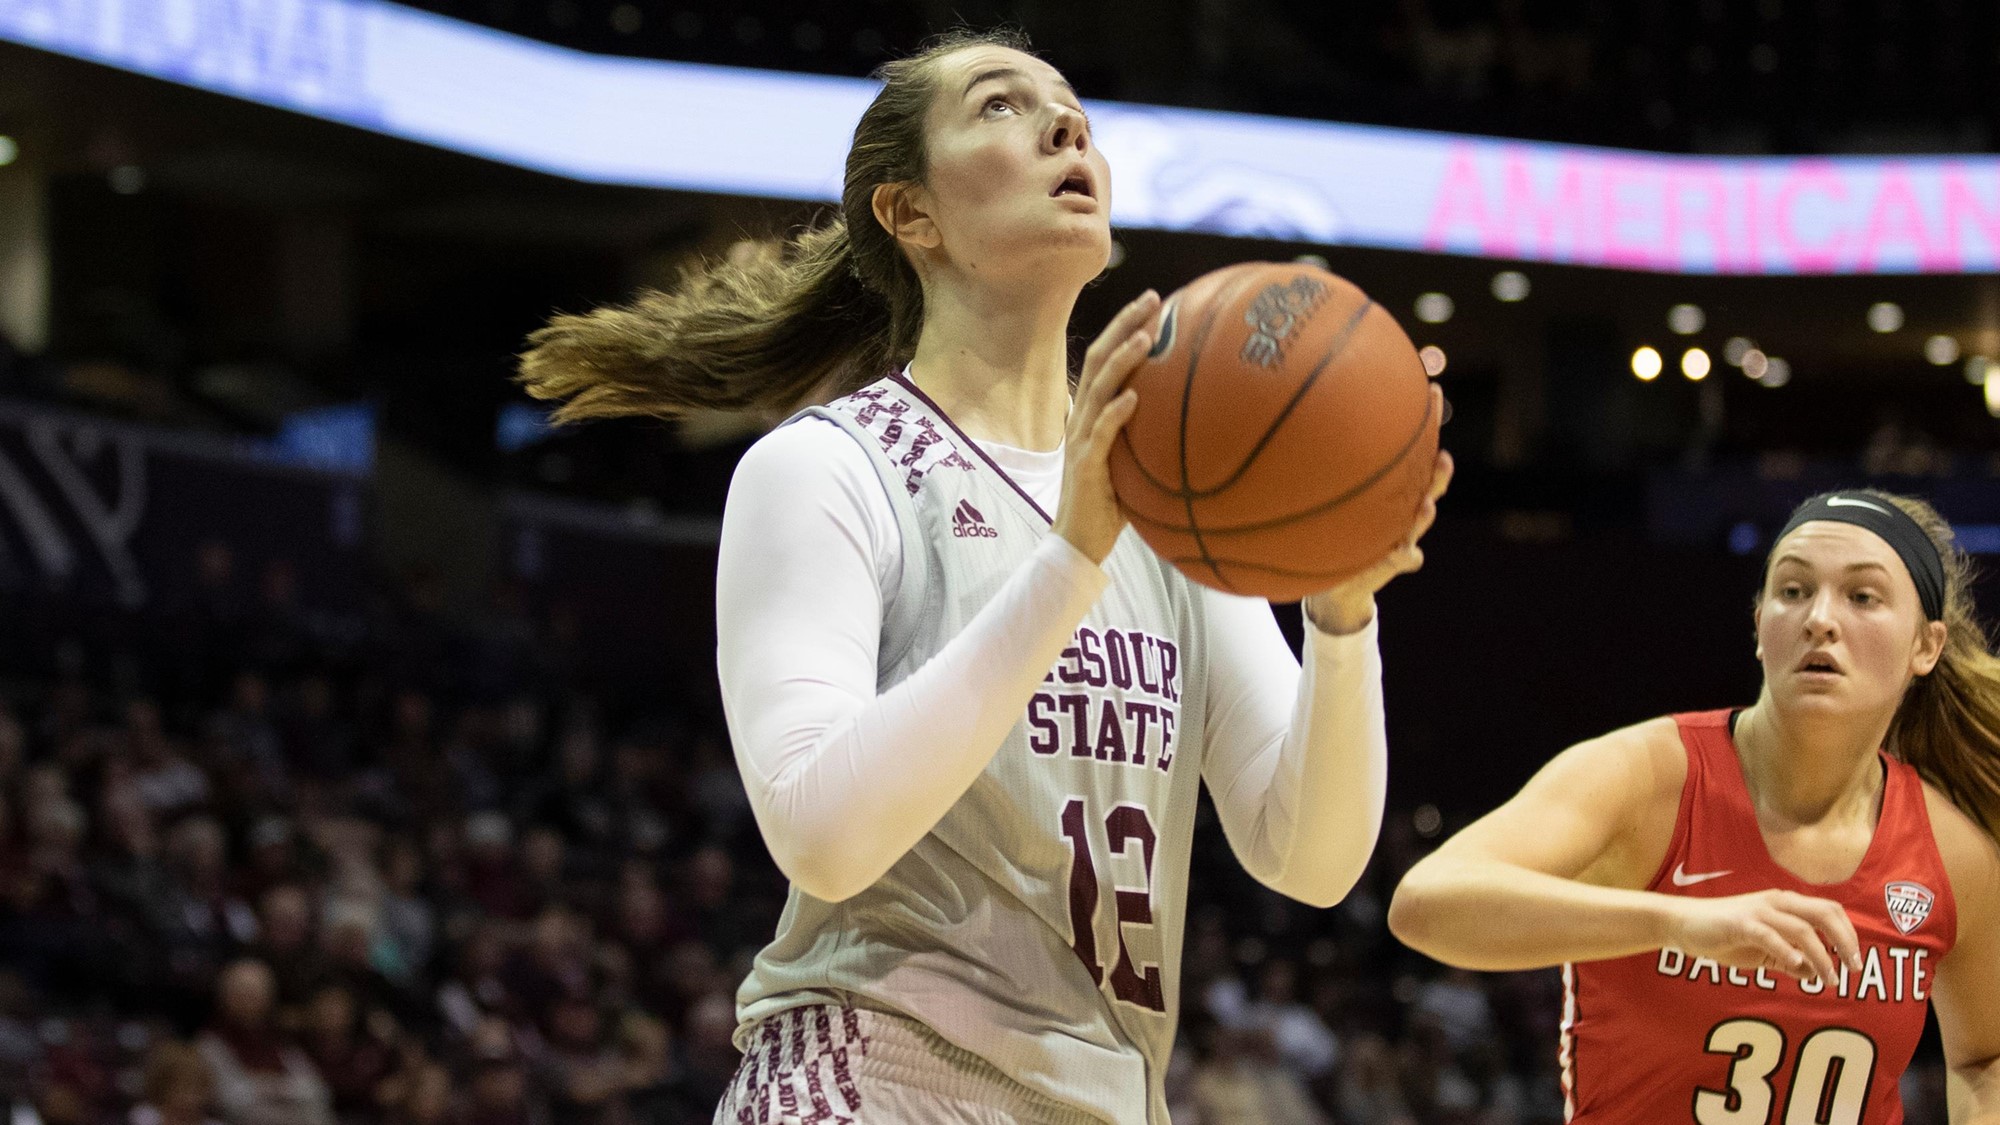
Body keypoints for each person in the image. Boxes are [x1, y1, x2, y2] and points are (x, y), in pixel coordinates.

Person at [516, 27, 1448, 1125]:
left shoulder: (1175, 501)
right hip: (864, 1085)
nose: (1068, 128)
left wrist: (1341, 623)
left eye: (1076, 116)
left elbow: (1309, 857)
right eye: (1002, 106)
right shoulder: (826, 468)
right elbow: (821, 830)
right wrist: (1068, 559)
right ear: (911, 215)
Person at [1389, 490, 2000, 1123]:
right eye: (1792, 591)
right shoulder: (1647, 776)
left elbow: (1986, 1058)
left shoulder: (1952, 850)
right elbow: (1426, 902)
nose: (1819, 618)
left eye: (1862, 597)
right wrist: (1679, 923)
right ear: (1760, 625)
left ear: (1926, 647)